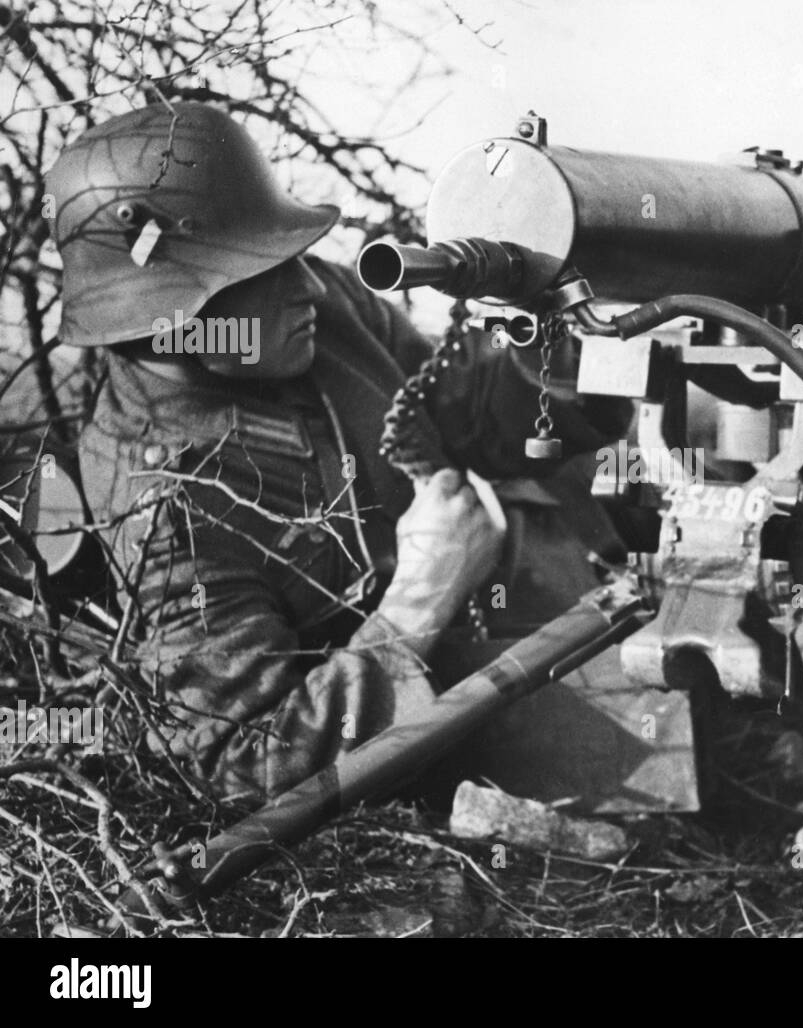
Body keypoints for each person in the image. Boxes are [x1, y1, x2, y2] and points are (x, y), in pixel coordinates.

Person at [48, 102, 630, 799]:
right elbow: (243, 758)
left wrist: (563, 359)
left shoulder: (310, 312)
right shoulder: (165, 509)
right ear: (169, 315)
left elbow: (468, 410)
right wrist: (417, 603)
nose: (312, 283)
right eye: (258, 268)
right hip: (452, 737)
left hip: (554, 606)